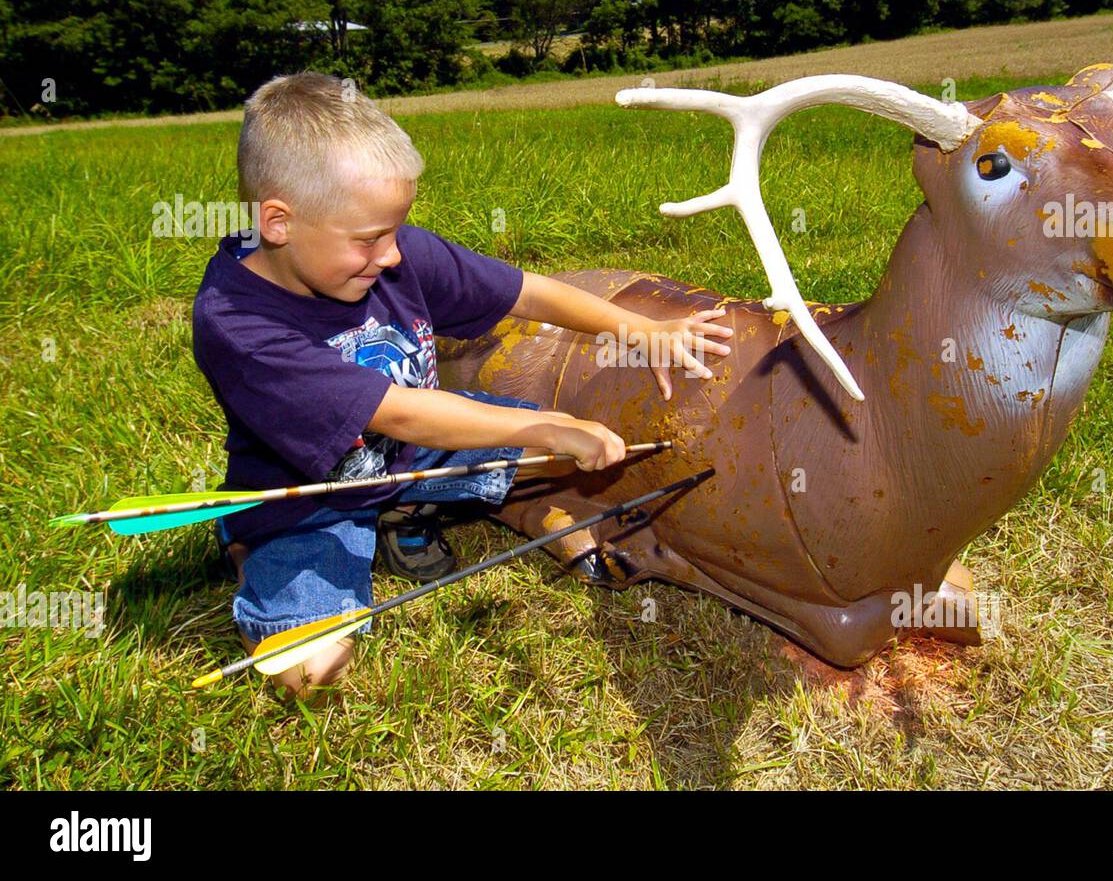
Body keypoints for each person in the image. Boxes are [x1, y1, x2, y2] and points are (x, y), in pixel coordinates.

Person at [191, 72, 733, 700]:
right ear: (279, 223)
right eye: (369, 240)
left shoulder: (391, 253)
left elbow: (526, 292)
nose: (394, 256)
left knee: (582, 455)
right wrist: (544, 427)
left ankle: (410, 511)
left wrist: (640, 329)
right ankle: (247, 546)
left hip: (414, 456)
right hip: (307, 497)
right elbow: (401, 412)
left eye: (396, 231)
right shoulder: (236, 322)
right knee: (312, 672)